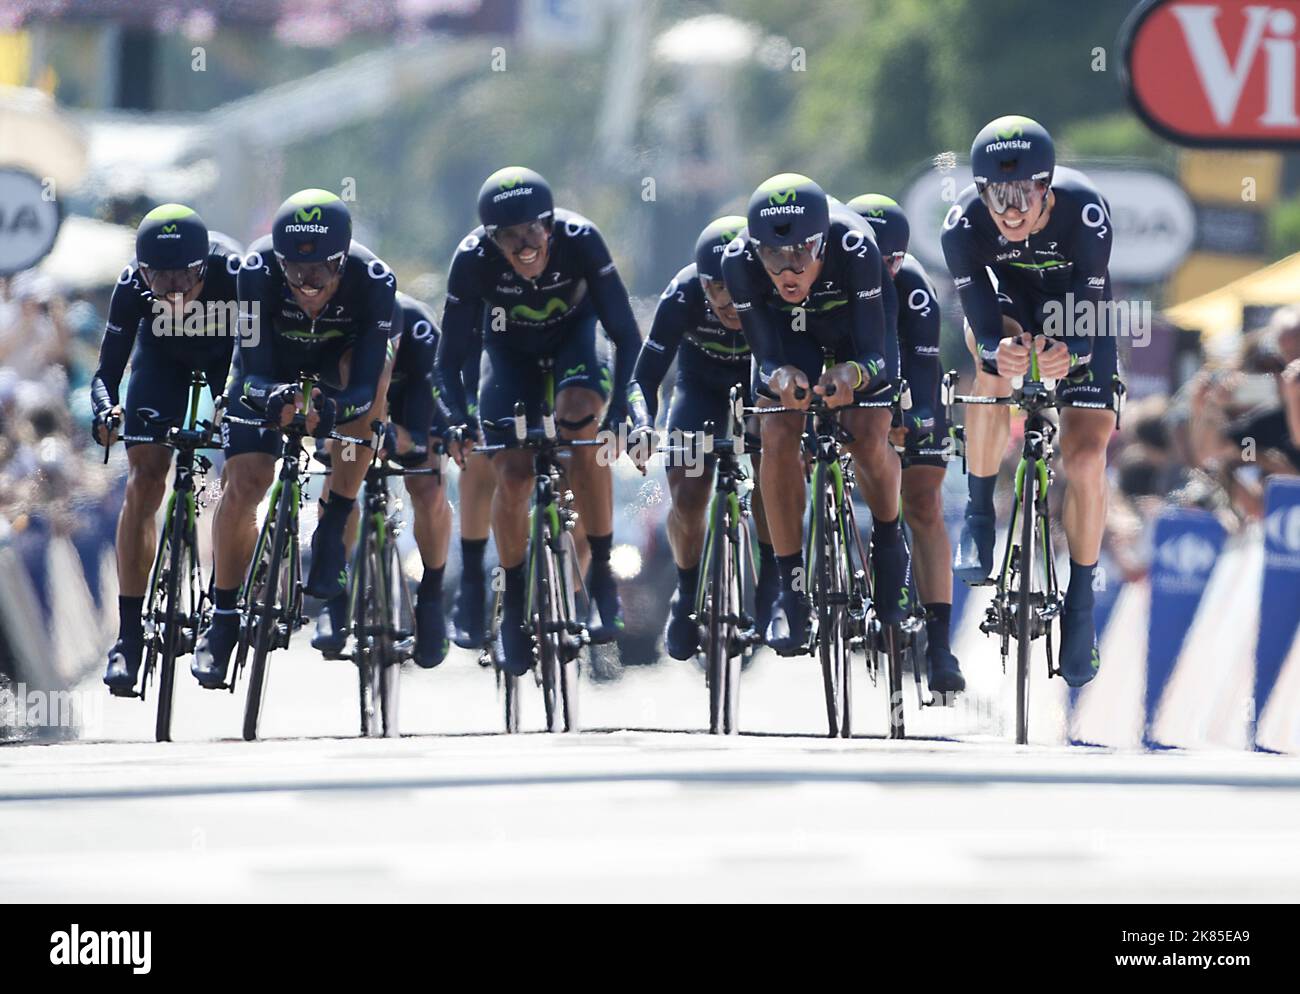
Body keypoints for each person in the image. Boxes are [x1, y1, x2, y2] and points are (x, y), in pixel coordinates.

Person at [436, 167, 642, 676]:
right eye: (509, 237)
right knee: (513, 472)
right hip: (509, 353)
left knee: (582, 427)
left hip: (577, 338)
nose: (524, 245)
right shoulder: (472, 261)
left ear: (551, 225)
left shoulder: (582, 240)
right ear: (491, 239)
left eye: (533, 231)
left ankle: (601, 582)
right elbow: (448, 358)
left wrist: (620, 406)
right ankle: (515, 600)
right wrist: (457, 418)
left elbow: (627, 336)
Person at [192, 189, 398, 688]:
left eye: (322, 271)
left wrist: (335, 409)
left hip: (340, 371)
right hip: (269, 370)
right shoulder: (255, 270)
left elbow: (368, 386)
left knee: (367, 400)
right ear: (279, 261)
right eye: (296, 271)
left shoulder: (374, 282)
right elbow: (252, 368)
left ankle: (335, 521)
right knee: (247, 481)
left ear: (342, 261)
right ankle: (222, 618)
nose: (308, 283)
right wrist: (272, 398)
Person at [942, 115, 1120, 687]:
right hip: (1009, 310)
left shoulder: (1085, 213)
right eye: (998, 195)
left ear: (1047, 188)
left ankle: (1082, 600)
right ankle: (977, 515)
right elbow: (978, 312)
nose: (1011, 210)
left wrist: (1073, 350)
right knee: (991, 367)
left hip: (1077, 314)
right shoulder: (962, 228)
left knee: (1088, 458)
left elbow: (1089, 314)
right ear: (980, 191)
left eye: (1024, 194)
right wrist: (1000, 348)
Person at [721, 173, 909, 655]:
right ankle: (791, 589)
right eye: (773, 254)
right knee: (778, 431)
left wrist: (853, 376)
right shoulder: (738, 261)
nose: (788, 269)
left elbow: (877, 357)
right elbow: (765, 358)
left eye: (802, 253)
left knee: (868, 433)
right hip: (791, 337)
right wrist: (779, 378)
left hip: (855, 329)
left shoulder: (854, 245)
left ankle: (889, 542)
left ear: (822, 240)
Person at [90, 204, 242, 694]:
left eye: (186, 279)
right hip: (161, 367)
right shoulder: (132, 286)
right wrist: (107, 412)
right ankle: (128, 636)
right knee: (144, 478)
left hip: (227, 363)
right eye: (161, 281)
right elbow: (106, 375)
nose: (173, 291)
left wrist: (236, 405)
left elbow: (254, 356)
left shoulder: (235, 273)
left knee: (243, 471)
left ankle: (225, 614)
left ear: (205, 267)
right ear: (142, 273)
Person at [629, 215, 777, 660]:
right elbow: (644, 378)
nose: (729, 303)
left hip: (760, 383)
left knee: (775, 468)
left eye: (736, 289)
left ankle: (772, 581)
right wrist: (640, 424)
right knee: (689, 494)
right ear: (702, 283)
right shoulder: (682, 294)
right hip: (699, 386)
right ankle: (687, 594)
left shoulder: (773, 289)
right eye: (716, 291)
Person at [848, 194, 964, 694]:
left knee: (923, 501)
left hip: (911, 387)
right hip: (855, 384)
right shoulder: (834, 272)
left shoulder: (914, 290)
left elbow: (921, 367)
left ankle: (940, 643)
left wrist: (911, 422)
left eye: (890, 261)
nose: (882, 269)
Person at [306, 286, 455, 668]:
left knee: (427, 484)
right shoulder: (337, 330)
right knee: (341, 472)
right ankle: (336, 599)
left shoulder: (418, 330)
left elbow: (419, 438)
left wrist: (394, 436)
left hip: (412, 397)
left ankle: (432, 594)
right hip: (351, 395)